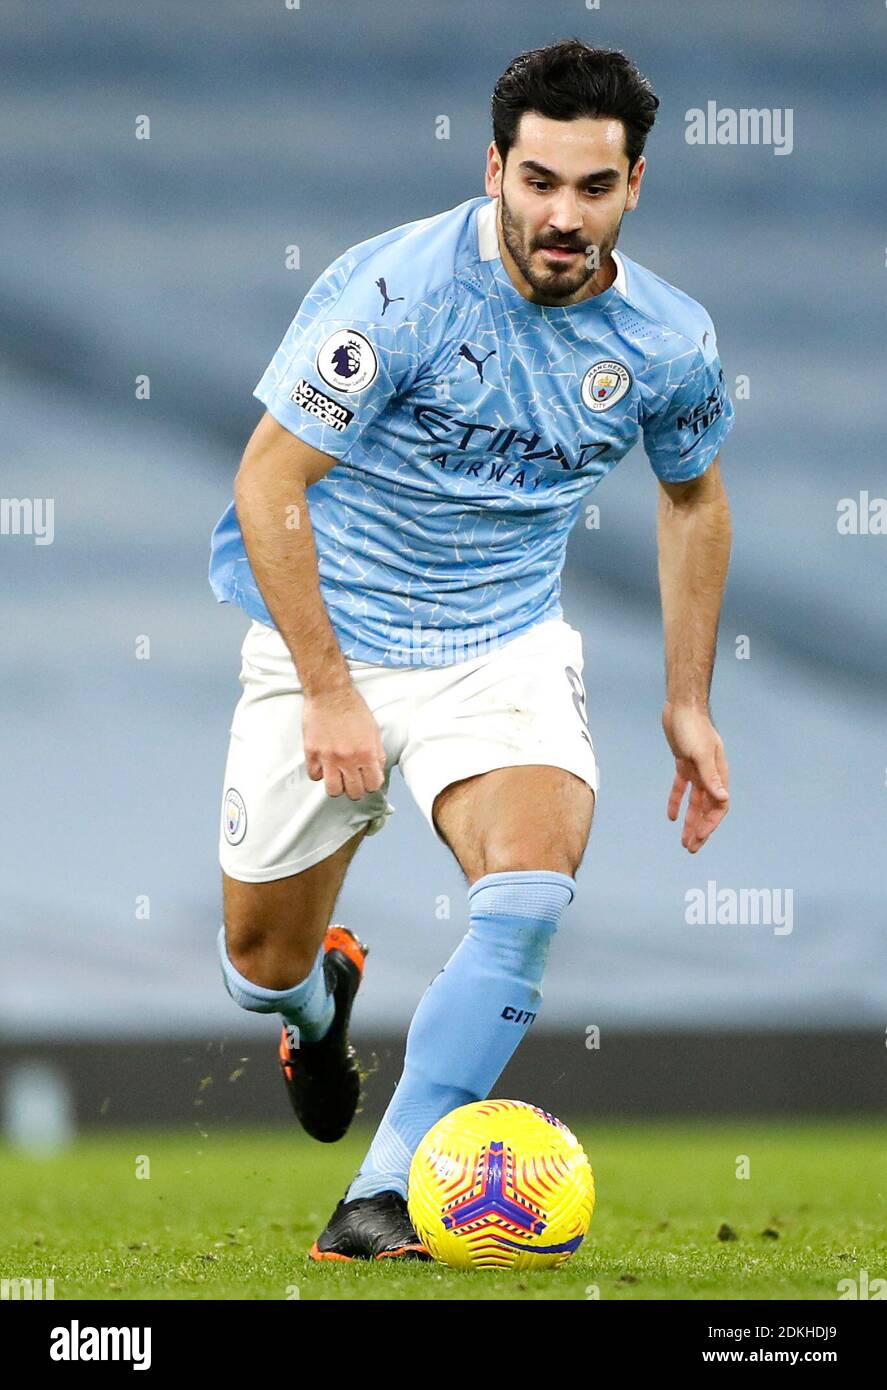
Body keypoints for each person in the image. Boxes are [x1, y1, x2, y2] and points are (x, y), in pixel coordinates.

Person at [208, 38, 734, 1260]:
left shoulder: (666, 341)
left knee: (530, 888)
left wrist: (687, 701)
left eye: (592, 188)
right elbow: (268, 478)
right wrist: (330, 691)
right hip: (322, 640)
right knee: (253, 962)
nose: (563, 215)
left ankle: (379, 1194)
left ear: (632, 189)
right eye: (538, 181)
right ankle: (314, 1004)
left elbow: (692, 498)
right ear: (494, 168)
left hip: (498, 645)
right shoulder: (393, 293)